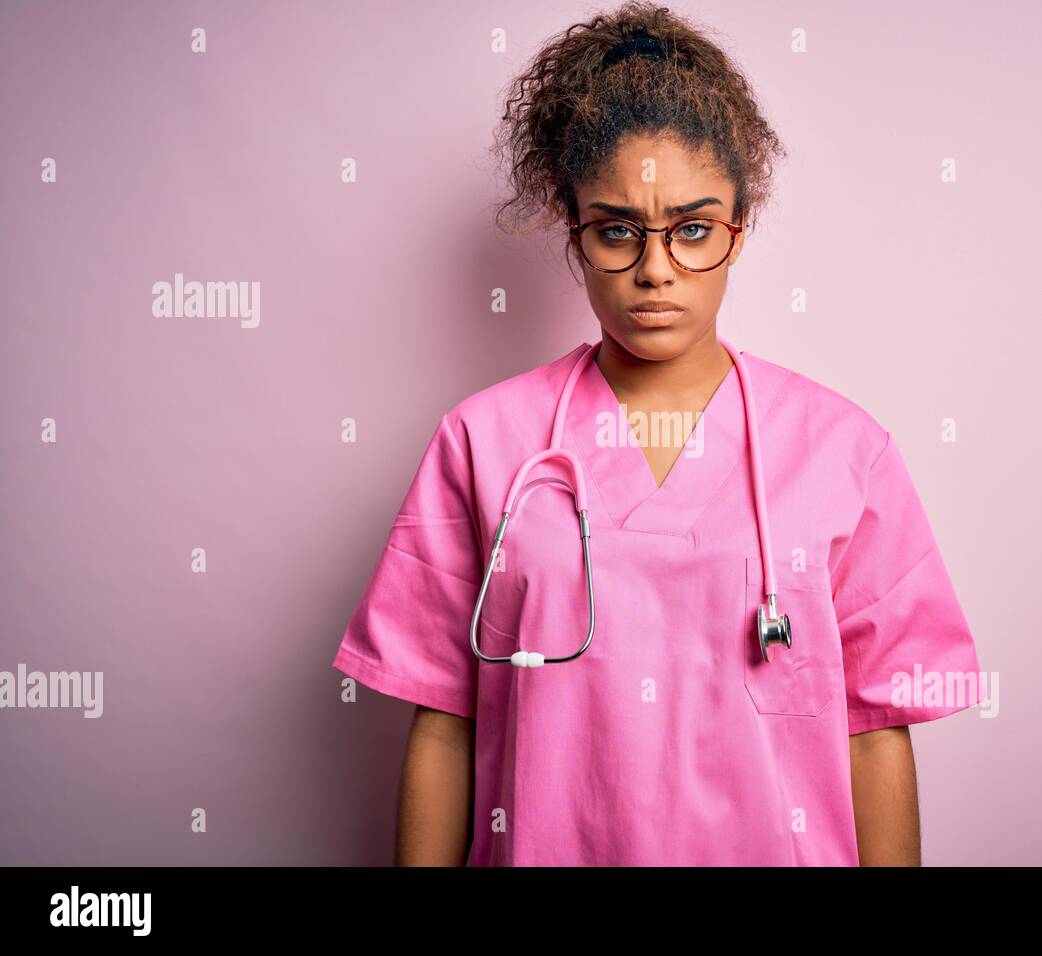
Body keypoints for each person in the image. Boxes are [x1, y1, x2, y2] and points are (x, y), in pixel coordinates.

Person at [332, 1, 982, 867]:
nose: (655, 269)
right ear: (574, 231)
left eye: (693, 230)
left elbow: (873, 732)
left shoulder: (844, 452)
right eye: (617, 231)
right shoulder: (482, 444)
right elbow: (446, 721)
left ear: (737, 233)